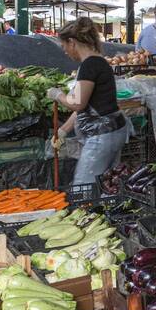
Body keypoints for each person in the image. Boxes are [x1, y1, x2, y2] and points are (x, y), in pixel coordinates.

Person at [48, 18, 132, 187]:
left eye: (64, 47)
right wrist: (64, 130)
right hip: (111, 131)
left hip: (102, 136)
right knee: (107, 184)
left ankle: (86, 211)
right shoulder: (96, 62)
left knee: (84, 187)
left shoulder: (90, 65)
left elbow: (77, 103)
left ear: (72, 42)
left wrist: (58, 95)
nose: (65, 52)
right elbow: (88, 105)